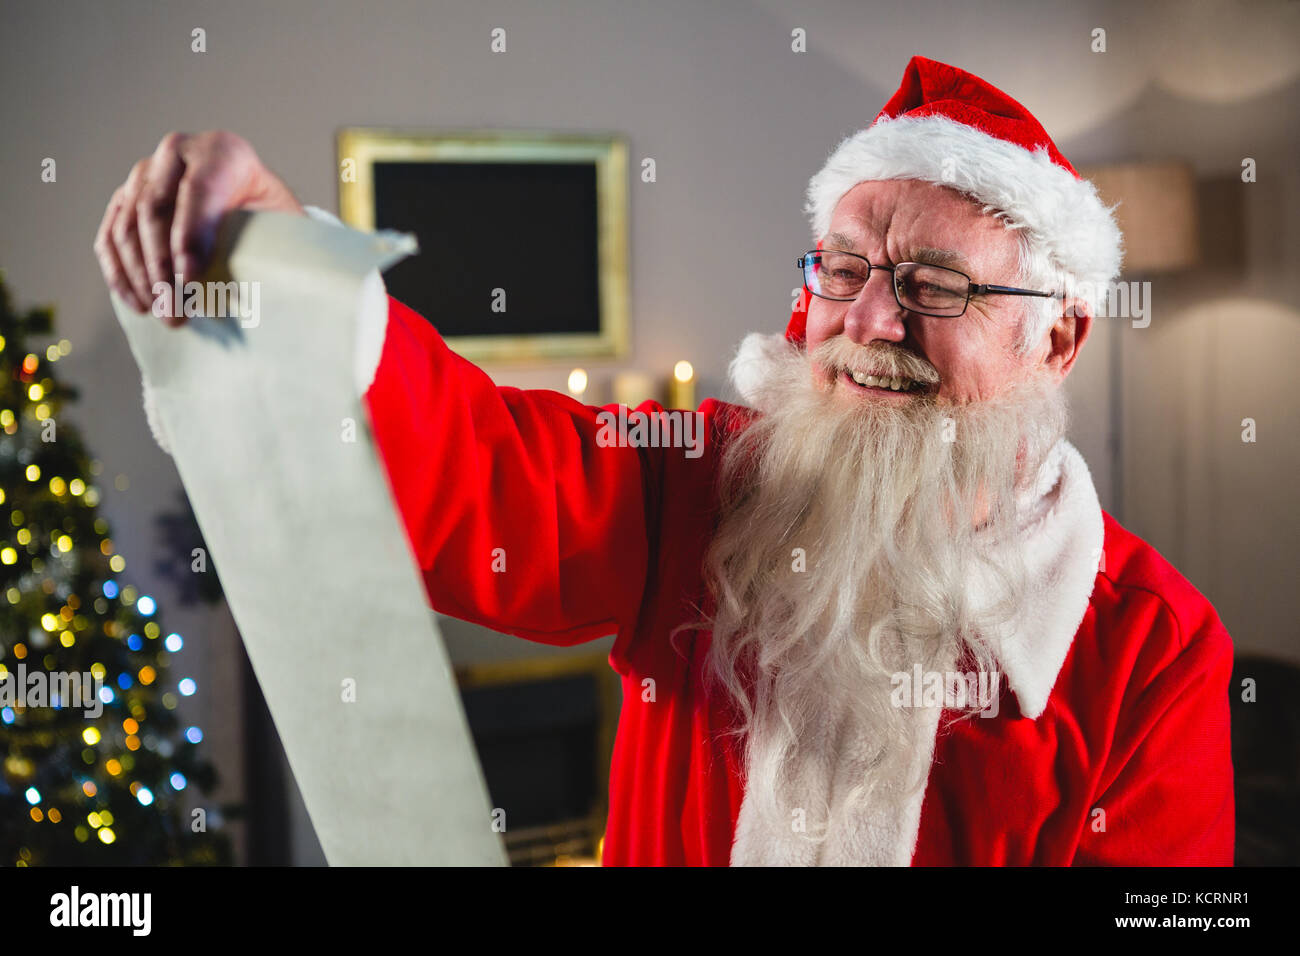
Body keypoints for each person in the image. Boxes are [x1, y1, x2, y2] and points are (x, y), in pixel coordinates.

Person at [94, 55, 1234, 866]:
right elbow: (479, 468)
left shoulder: (1153, 652)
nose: (871, 323)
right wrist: (276, 248)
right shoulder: (700, 484)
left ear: (1059, 333)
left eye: (937, 286)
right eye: (842, 269)